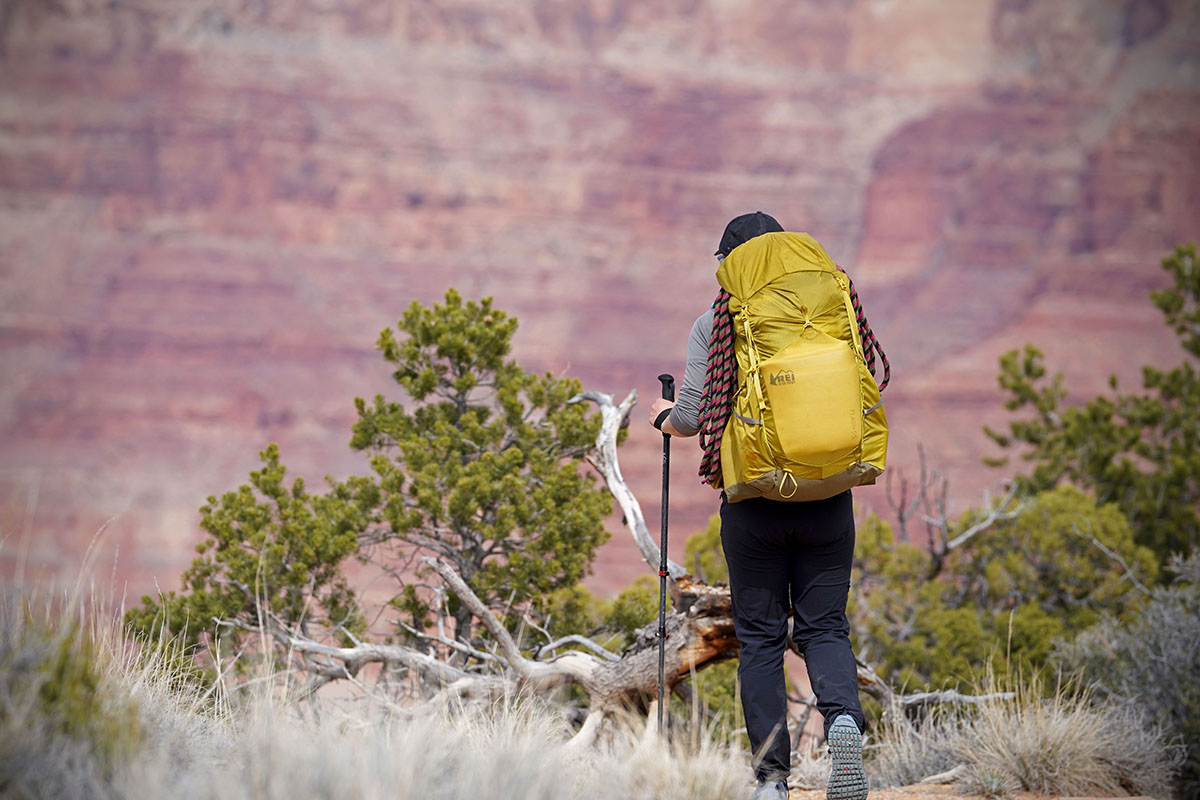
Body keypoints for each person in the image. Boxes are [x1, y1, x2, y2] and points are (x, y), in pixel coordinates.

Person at [649, 212, 872, 800]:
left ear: (731, 263)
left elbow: (694, 415)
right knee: (825, 626)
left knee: (763, 637)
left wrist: (662, 418)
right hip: (828, 493)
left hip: (754, 502)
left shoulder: (718, 321)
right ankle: (844, 721)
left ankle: (773, 780)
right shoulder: (830, 302)